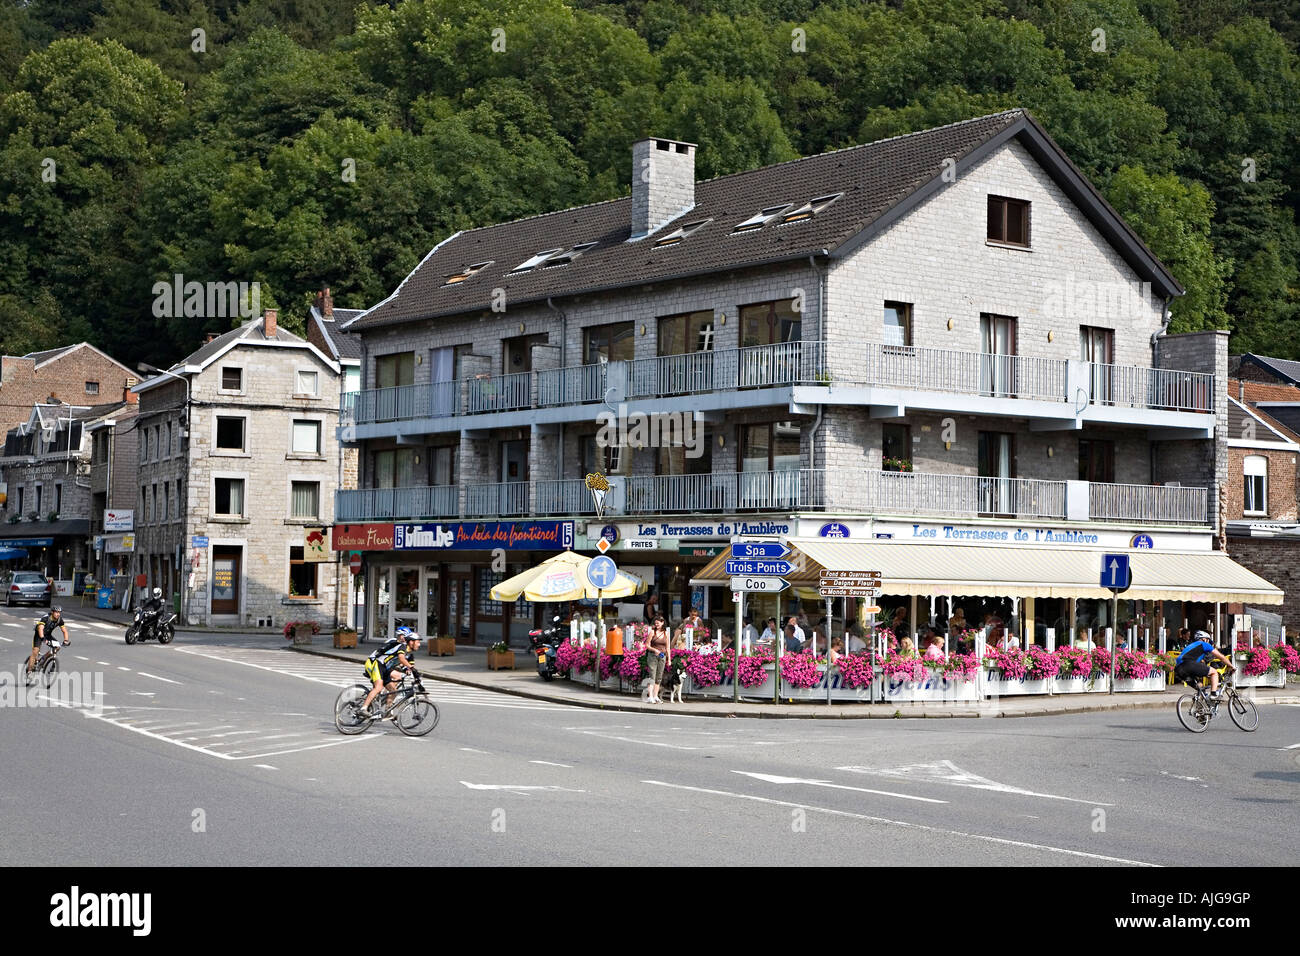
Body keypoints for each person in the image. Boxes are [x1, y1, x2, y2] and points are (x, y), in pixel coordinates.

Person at [358, 627, 422, 718]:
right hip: (378, 664)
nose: (419, 644)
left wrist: (410, 671)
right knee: (378, 687)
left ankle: (387, 711)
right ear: (411, 642)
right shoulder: (402, 646)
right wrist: (411, 668)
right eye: (418, 642)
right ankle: (363, 708)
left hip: (386, 668)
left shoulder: (409, 653)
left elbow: (406, 664)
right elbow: (401, 658)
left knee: (393, 690)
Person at [1173, 630, 1233, 697]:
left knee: (1201, 687)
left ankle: (1200, 701)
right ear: (1204, 639)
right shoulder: (1204, 644)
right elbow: (1221, 657)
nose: (1209, 641)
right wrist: (1231, 666)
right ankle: (1213, 694)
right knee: (1214, 672)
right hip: (1189, 664)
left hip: (1178, 669)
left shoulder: (1191, 645)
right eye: (1208, 639)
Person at [27, 605, 69, 675]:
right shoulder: (46, 618)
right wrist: (43, 639)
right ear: (52, 612)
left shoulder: (60, 620)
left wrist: (66, 640)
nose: (58, 614)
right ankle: (29, 671)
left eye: (59, 612)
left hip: (48, 635)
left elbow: (64, 631)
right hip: (39, 635)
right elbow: (40, 628)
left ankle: (44, 658)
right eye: (56, 612)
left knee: (57, 647)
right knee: (35, 652)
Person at [646, 615, 671, 704]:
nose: (656, 625)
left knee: (659, 677)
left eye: (658, 623)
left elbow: (668, 647)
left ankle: (655, 696)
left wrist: (669, 659)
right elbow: (647, 645)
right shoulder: (652, 632)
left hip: (662, 656)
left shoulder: (666, 633)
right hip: (652, 656)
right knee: (652, 676)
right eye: (655, 623)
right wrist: (655, 650)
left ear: (662, 623)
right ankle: (650, 697)